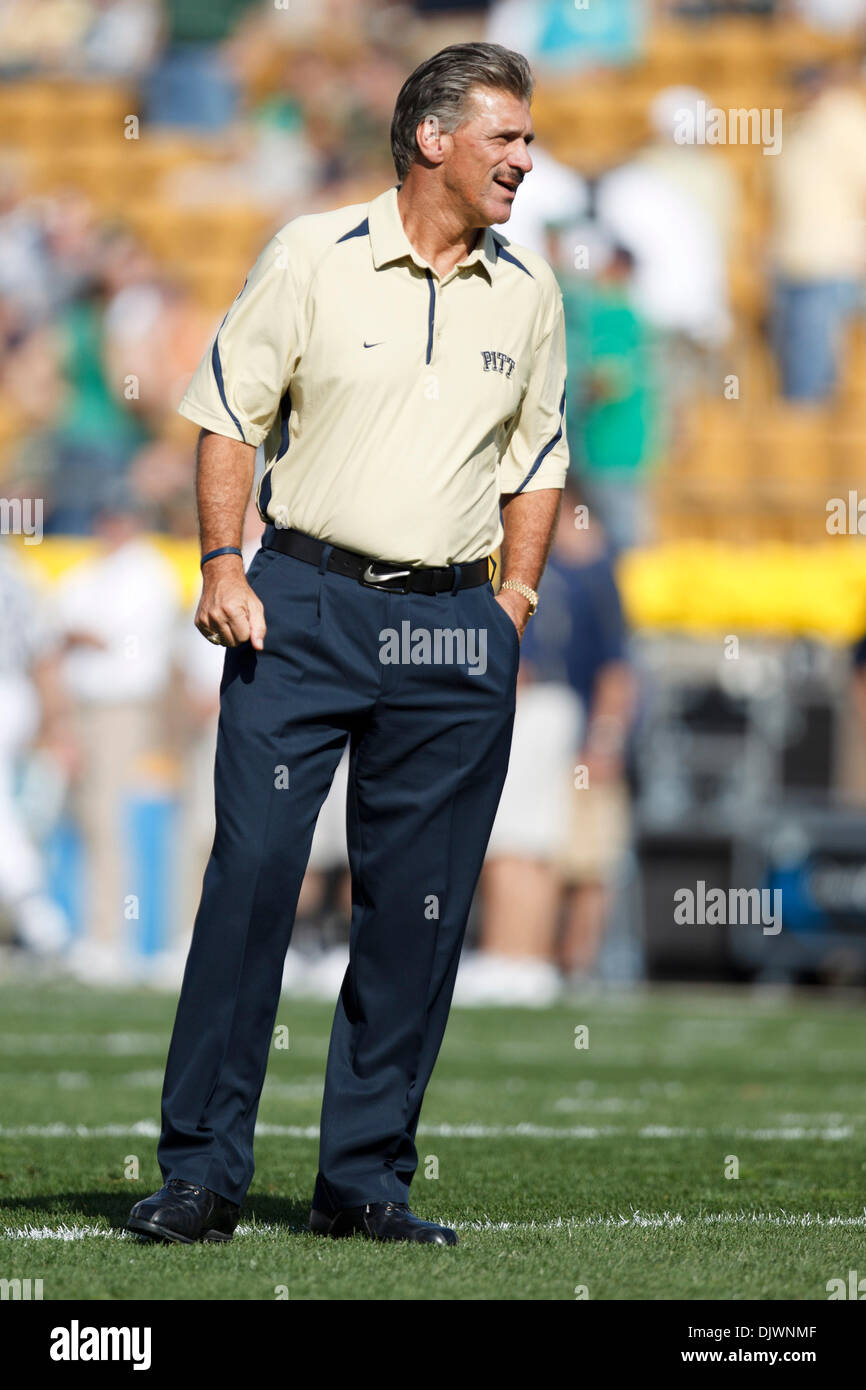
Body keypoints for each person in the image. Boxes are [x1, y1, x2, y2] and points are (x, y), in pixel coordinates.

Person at [127, 41, 568, 1248]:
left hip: (453, 629)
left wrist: (510, 603)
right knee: (255, 878)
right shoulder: (309, 255)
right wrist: (222, 562)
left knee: (415, 912)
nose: (525, 162)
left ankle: (364, 1180)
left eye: (526, 141)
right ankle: (201, 1173)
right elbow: (227, 413)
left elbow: (537, 460)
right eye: (506, 138)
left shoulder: (530, 291)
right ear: (432, 138)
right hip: (303, 604)